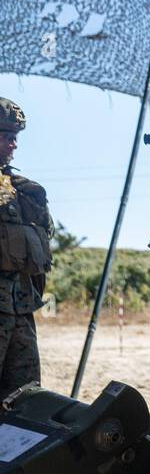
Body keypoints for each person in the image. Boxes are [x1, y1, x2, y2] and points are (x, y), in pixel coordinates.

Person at [0, 98, 53, 401]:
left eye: (16, 138)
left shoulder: (22, 188)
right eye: (7, 137)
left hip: (21, 307)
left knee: (26, 400)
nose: (14, 145)